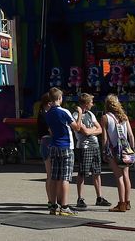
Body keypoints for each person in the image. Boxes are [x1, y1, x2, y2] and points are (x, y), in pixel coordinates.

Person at [45, 88, 94, 217]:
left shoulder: (48, 113)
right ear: (59, 98)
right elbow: (77, 128)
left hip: (54, 146)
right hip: (66, 146)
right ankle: (64, 206)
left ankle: (53, 205)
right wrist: (78, 114)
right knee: (65, 177)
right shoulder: (64, 111)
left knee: (54, 177)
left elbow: (50, 130)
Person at [100, 94, 135, 212]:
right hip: (126, 150)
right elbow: (130, 135)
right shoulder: (124, 116)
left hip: (113, 150)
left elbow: (105, 138)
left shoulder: (105, 118)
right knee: (126, 175)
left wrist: (104, 151)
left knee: (118, 176)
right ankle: (128, 202)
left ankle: (121, 204)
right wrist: (132, 149)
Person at [73, 93, 109, 209]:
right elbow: (84, 132)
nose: (92, 105)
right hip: (84, 147)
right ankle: (80, 198)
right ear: (85, 103)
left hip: (95, 145)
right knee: (83, 172)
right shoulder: (76, 115)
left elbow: (100, 129)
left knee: (97, 172)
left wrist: (91, 130)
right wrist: (92, 130)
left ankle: (99, 197)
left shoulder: (90, 114)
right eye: (91, 103)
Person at [36, 94, 54, 210]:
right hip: (48, 142)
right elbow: (51, 130)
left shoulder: (41, 113)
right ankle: (51, 199)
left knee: (50, 174)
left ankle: (51, 199)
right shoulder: (46, 115)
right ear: (49, 103)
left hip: (44, 142)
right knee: (51, 174)